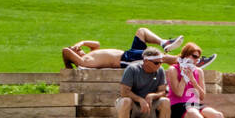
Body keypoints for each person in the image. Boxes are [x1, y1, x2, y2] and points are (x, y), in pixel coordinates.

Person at [62, 27, 196, 70]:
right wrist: (71, 54)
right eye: (75, 50)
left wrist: (82, 42)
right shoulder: (85, 62)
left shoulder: (91, 53)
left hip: (128, 53)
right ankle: (183, 60)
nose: (75, 48)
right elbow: (65, 51)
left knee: (141, 31)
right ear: (74, 57)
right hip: (124, 60)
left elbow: (96, 43)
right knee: (154, 54)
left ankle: (164, 42)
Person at [115, 50, 171, 118]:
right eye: (156, 63)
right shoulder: (132, 69)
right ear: (146, 61)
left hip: (150, 105)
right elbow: (124, 92)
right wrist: (140, 99)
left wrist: (153, 95)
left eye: (161, 62)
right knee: (125, 101)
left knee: (165, 101)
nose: (159, 65)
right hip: (133, 105)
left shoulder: (160, 71)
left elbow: (163, 92)